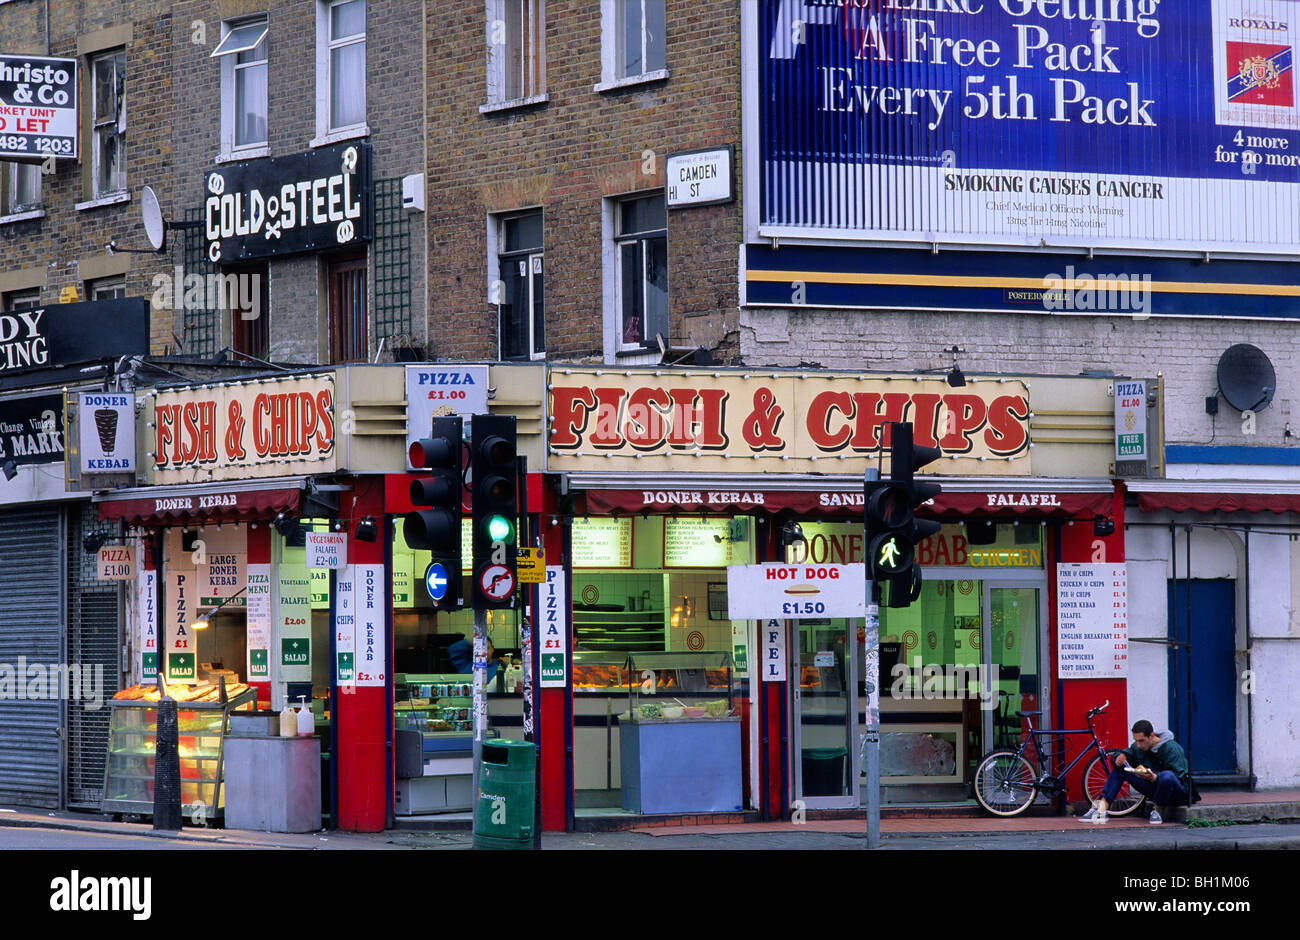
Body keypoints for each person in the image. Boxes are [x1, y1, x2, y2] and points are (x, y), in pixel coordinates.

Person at [1080, 720, 1192, 825]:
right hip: (1155, 788)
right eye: (1136, 741)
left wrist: (1154, 777)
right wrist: (1118, 758)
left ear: (1152, 736)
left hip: (1177, 793)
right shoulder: (1137, 747)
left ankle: (1157, 810)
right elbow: (1124, 754)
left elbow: (1179, 777)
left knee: (1167, 776)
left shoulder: (1172, 748)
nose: (1138, 745)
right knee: (1121, 769)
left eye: (1141, 741)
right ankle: (1101, 809)